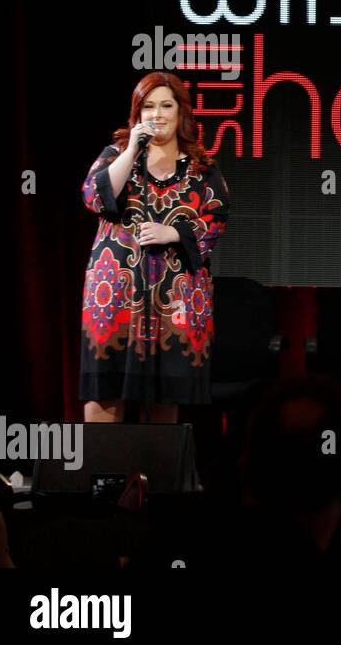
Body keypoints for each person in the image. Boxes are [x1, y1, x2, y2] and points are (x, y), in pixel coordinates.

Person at [80, 72, 230, 422]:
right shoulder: (116, 155)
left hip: (174, 299)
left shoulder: (201, 168)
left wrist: (175, 234)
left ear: (181, 113)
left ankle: (157, 477)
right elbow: (93, 196)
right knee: (106, 389)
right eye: (148, 107)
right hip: (114, 296)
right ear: (137, 113)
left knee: (165, 395)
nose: (157, 114)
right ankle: (103, 476)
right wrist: (132, 148)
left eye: (166, 105)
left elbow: (217, 218)